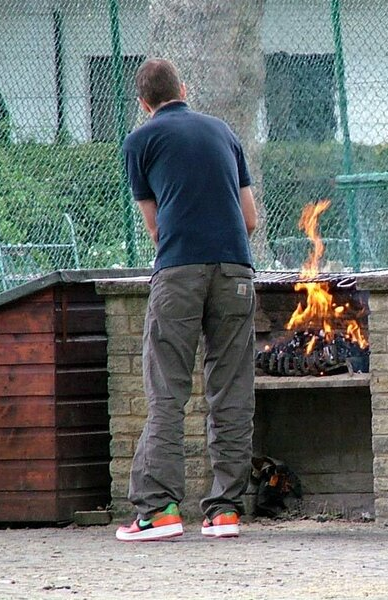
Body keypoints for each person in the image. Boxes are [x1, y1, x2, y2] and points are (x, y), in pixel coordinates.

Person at [115, 58, 258, 542]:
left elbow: (157, 229)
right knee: (232, 390)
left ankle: (159, 511)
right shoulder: (223, 132)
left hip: (178, 271)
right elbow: (250, 220)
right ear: (184, 88)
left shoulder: (139, 142)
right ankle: (224, 512)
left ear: (143, 103)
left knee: (168, 390)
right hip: (236, 269)